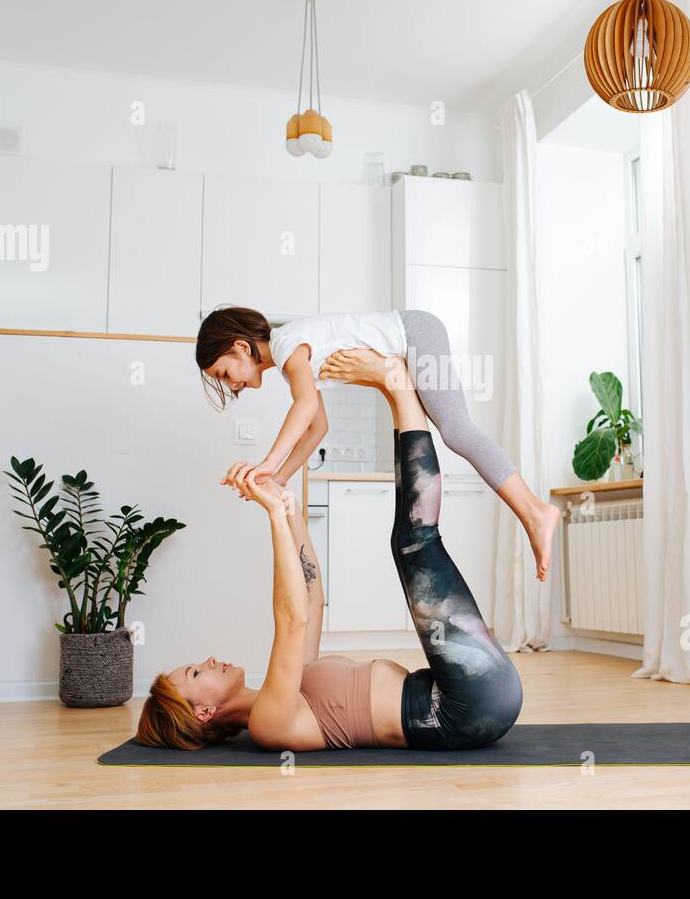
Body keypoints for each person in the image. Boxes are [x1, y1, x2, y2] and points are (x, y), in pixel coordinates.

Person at [137, 353, 523, 751]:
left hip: (471, 694)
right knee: (412, 543)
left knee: (410, 542)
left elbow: (311, 599)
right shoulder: (270, 723)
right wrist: (273, 517)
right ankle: (397, 388)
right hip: (466, 707)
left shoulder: (290, 686)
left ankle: (396, 393)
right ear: (203, 713)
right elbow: (292, 621)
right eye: (197, 674)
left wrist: (289, 511)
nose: (210, 660)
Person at [194, 305, 559, 579]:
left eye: (224, 373)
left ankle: (534, 511)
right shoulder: (292, 360)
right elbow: (316, 428)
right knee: (447, 428)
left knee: (456, 429)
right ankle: (533, 512)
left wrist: (268, 463)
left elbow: (305, 407)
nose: (232, 384)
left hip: (414, 333)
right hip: (413, 335)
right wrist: (279, 478)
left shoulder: (287, 343)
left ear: (241, 347)